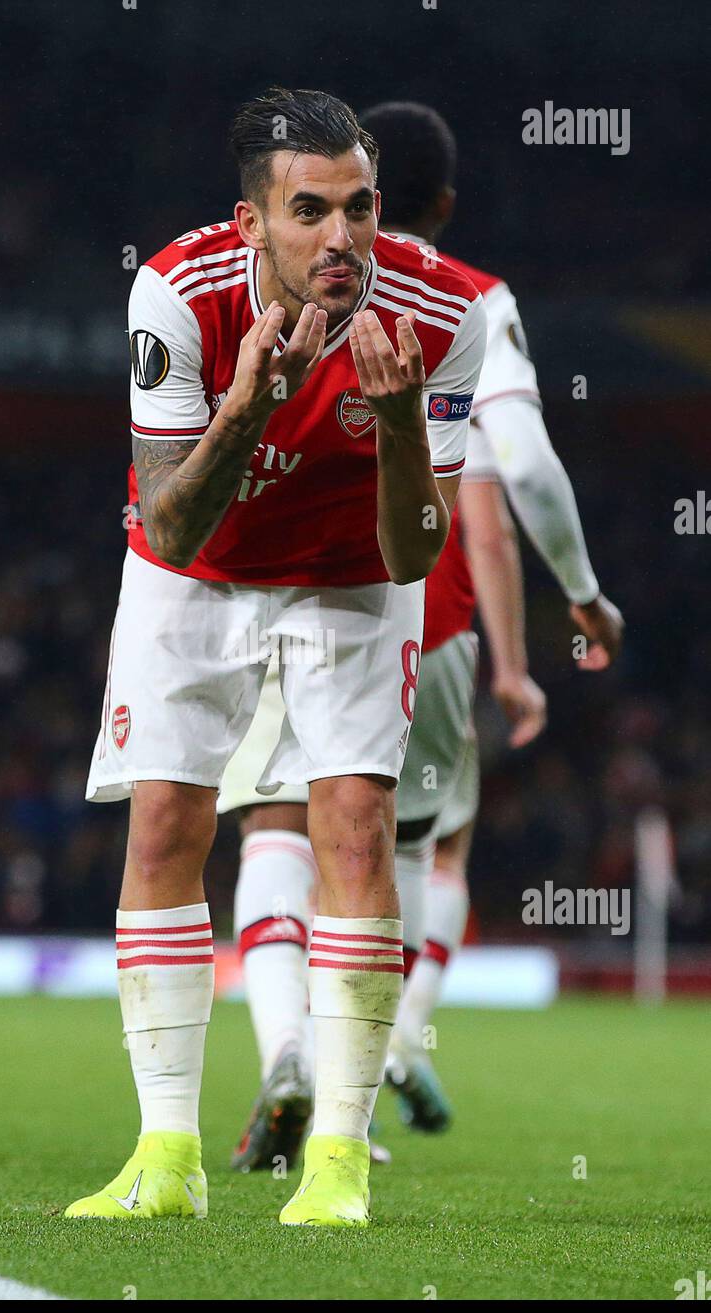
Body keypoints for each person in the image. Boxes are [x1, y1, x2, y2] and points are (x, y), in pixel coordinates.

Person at [64, 87, 486, 1228]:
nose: (340, 237)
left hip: (355, 576)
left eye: (359, 206)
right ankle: (166, 1158)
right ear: (252, 222)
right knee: (165, 826)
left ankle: (338, 1165)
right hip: (195, 571)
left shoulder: (444, 313)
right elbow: (174, 520)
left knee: (353, 826)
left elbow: (413, 552)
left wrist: (398, 424)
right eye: (309, 210)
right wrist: (250, 402)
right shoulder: (176, 292)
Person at [221, 101, 623, 1172]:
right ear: (444, 204)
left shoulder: (297, 275)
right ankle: (384, 1051)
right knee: (403, 851)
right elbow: (507, 485)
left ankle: (285, 1053)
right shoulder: (470, 301)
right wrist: (571, 606)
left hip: (284, 577)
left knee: (273, 826)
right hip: (421, 614)